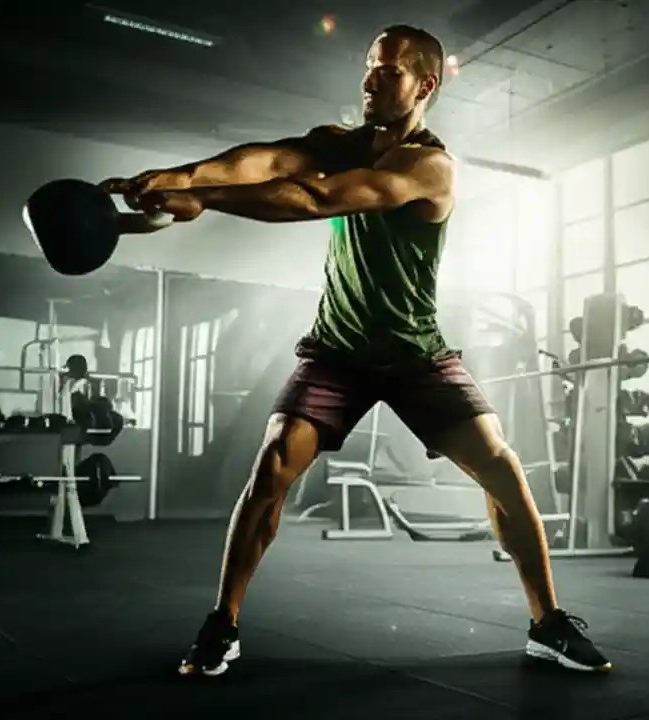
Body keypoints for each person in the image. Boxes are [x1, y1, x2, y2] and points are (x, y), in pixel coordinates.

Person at [100, 24, 611, 678]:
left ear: (425, 86)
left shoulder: (428, 167)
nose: (372, 80)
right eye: (370, 66)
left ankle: (547, 623)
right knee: (274, 465)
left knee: (501, 468)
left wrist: (201, 199)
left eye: (389, 71)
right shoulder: (341, 145)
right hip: (337, 349)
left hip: (414, 352)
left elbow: (317, 197)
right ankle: (221, 624)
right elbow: (265, 161)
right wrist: (173, 178)